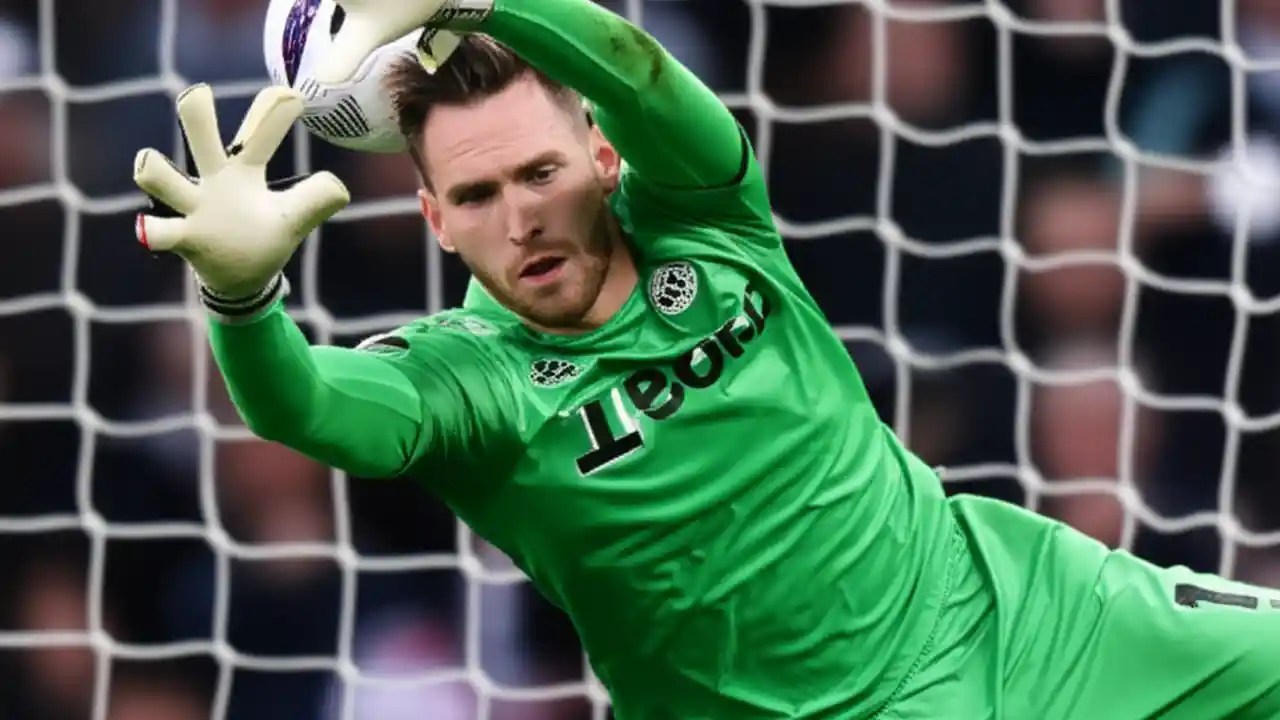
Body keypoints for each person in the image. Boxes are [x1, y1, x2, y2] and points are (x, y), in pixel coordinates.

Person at [130, 0, 1280, 717]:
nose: (520, 216)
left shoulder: (711, 223)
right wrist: (242, 298)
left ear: (600, 158)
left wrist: (484, 0)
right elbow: (314, 410)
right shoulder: (464, 382)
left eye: (540, 174)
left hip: (1023, 604)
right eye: (477, 195)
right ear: (435, 220)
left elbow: (637, 72)